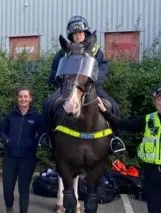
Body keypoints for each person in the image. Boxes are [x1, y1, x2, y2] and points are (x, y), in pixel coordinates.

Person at [41, 15, 125, 153]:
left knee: (113, 106)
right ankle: (46, 136)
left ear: (85, 33)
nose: (78, 35)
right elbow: (55, 68)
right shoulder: (64, 51)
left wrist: (97, 80)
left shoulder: (96, 50)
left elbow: (102, 67)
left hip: (91, 86)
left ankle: (116, 139)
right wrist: (56, 80)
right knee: (47, 104)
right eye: (75, 33)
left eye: (80, 32)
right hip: (68, 87)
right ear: (71, 35)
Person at [0, 88, 43, 213]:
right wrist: (7, 141)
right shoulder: (11, 115)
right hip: (10, 157)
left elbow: (43, 134)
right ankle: (9, 211)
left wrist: (34, 143)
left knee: (23, 190)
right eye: (20, 97)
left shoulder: (36, 116)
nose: (23, 99)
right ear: (17, 98)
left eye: (26, 97)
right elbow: (2, 131)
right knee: (7, 188)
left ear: (30, 98)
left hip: (27, 158)